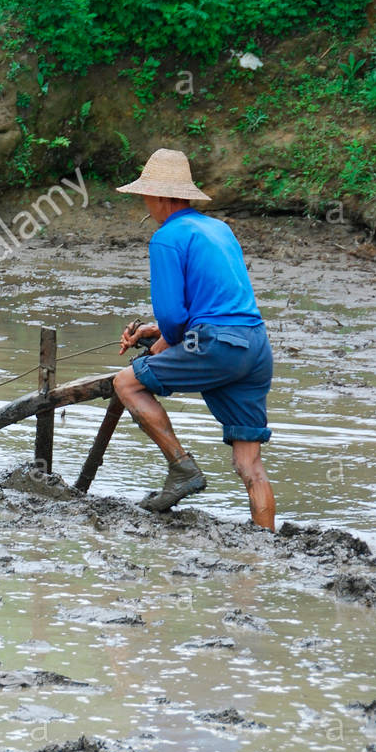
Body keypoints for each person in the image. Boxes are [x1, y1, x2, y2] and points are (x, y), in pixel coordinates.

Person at [112, 148, 275, 530]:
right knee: (248, 464)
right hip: (254, 345)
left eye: (146, 198)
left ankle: (182, 469)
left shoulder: (167, 238)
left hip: (218, 346)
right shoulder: (219, 229)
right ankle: (269, 552)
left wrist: (158, 343)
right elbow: (214, 306)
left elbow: (173, 318)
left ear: (161, 197)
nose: (146, 206)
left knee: (128, 383)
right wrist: (155, 334)